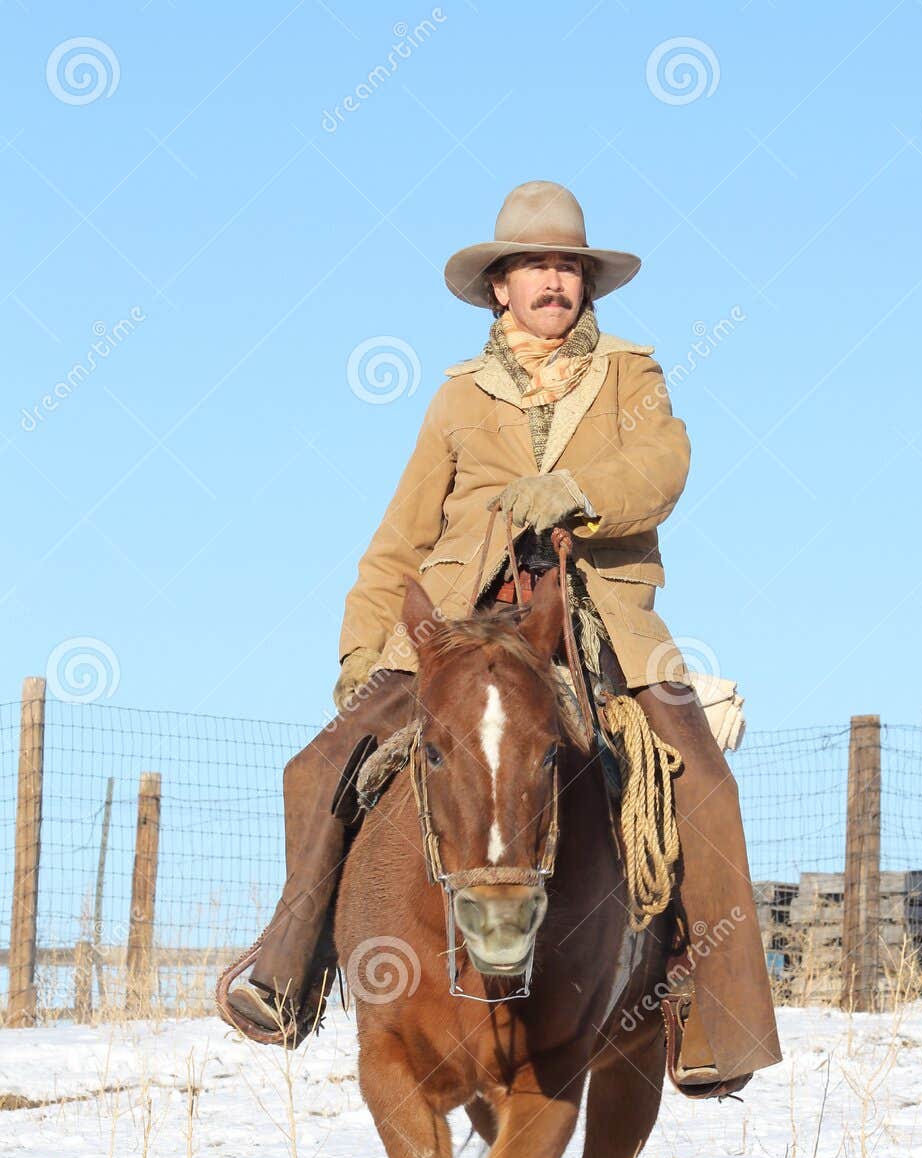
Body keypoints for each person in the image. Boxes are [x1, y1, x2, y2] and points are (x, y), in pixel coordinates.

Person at [222, 181, 781, 1095]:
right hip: (456, 627)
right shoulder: (456, 398)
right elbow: (400, 535)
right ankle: (292, 971)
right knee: (319, 766)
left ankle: (703, 1011)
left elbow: (663, 462)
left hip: (601, 616)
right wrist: (364, 649)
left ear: (585, 284)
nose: (552, 281)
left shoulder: (631, 373)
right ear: (499, 289)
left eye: (567, 266)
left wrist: (578, 493)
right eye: (534, 267)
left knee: (703, 781)